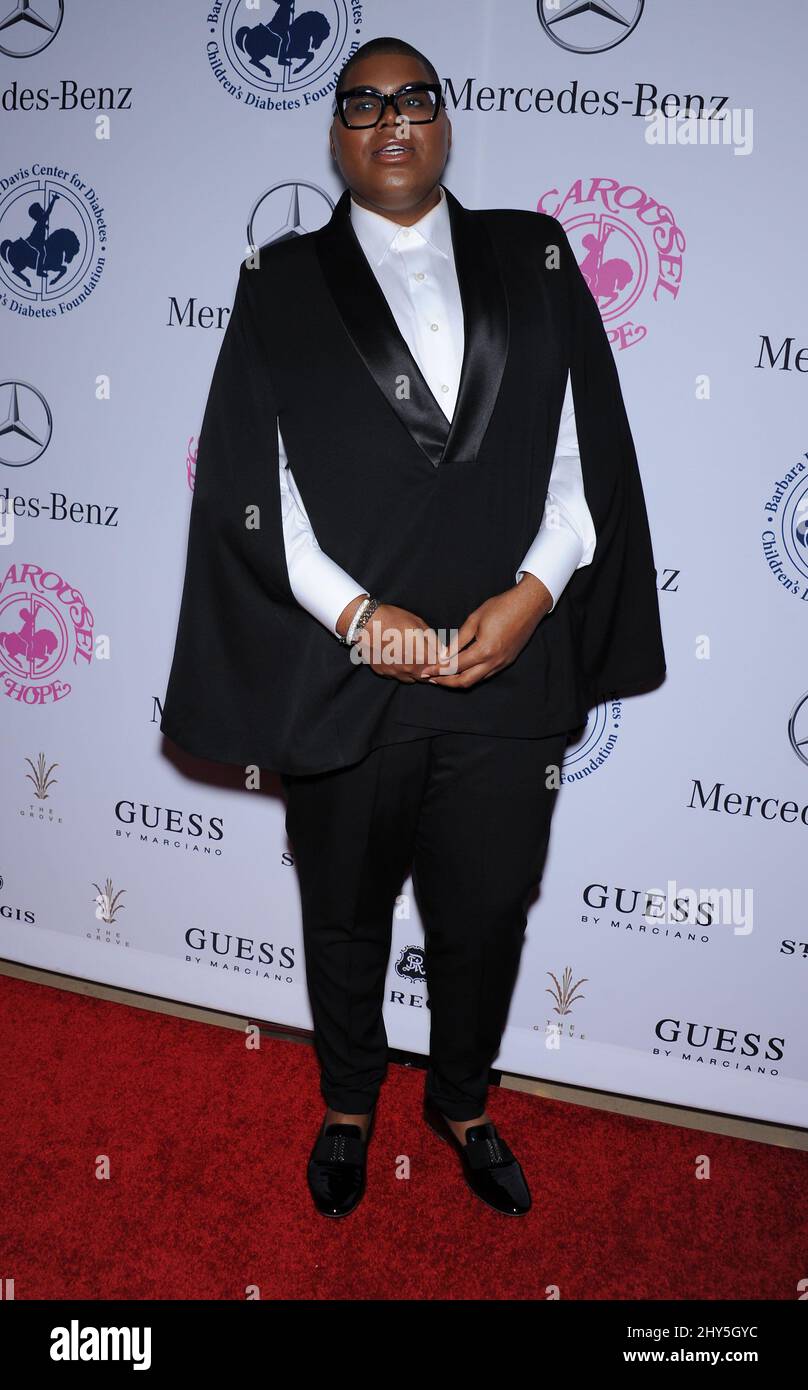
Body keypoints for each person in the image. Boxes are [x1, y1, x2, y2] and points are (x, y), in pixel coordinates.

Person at [160, 36, 666, 1219]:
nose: (391, 118)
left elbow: (587, 458)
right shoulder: (276, 280)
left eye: (414, 98)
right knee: (339, 908)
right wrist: (355, 614)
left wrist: (536, 591)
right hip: (347, 676)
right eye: (362, 102)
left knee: (486, 908)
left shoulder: (531, 253)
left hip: (509, 671)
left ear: (447, 121)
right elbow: (252, 482)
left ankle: (462, 1096)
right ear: (334, 133)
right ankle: (347, 1099)